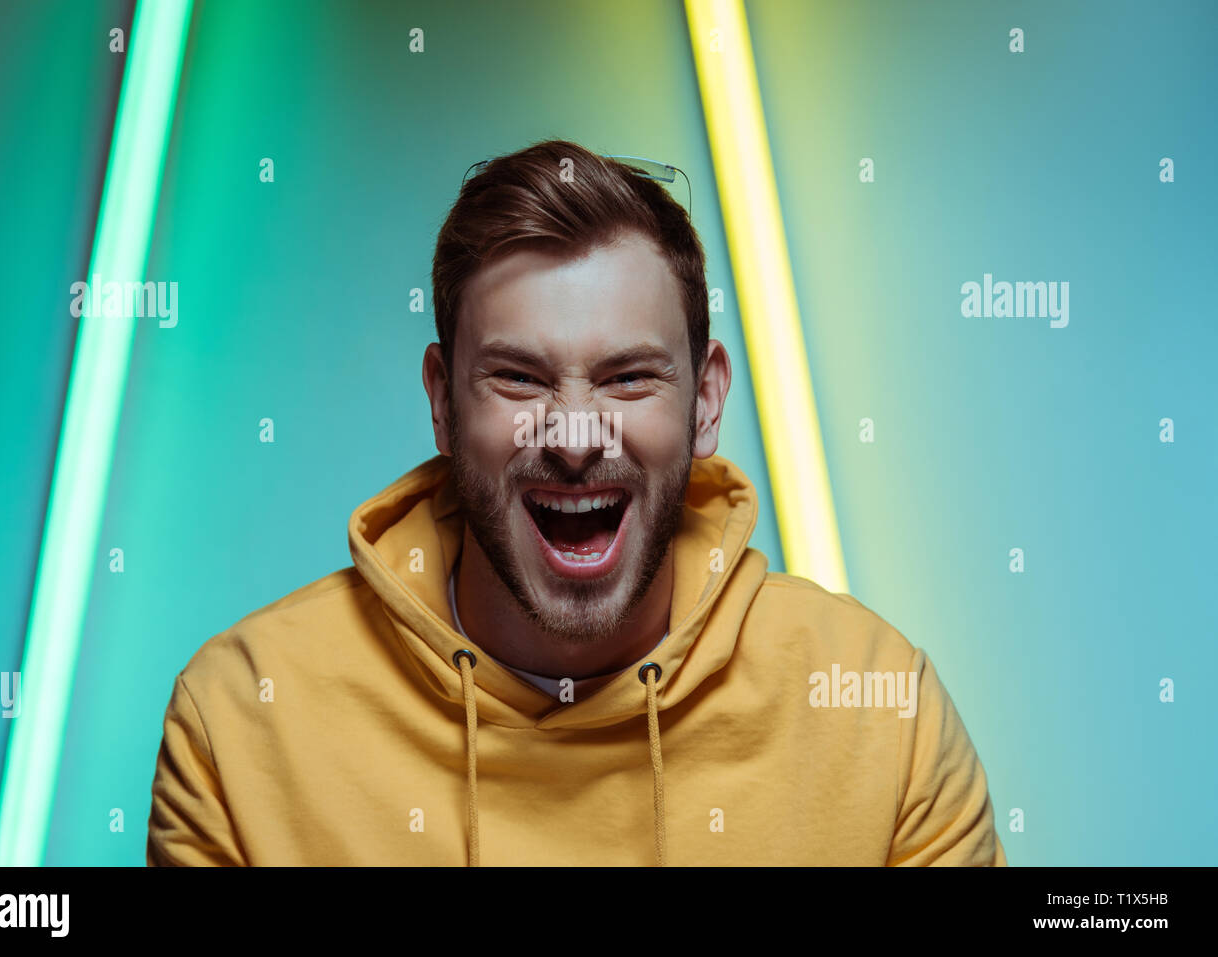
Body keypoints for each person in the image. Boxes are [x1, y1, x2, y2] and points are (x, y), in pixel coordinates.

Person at [147, 139, 1007, 866]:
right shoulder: (242, 721)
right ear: (444, 403)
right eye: (518, 378)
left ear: (705, 402)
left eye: (628, 377)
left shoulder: (880, 713)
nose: (574, 434)